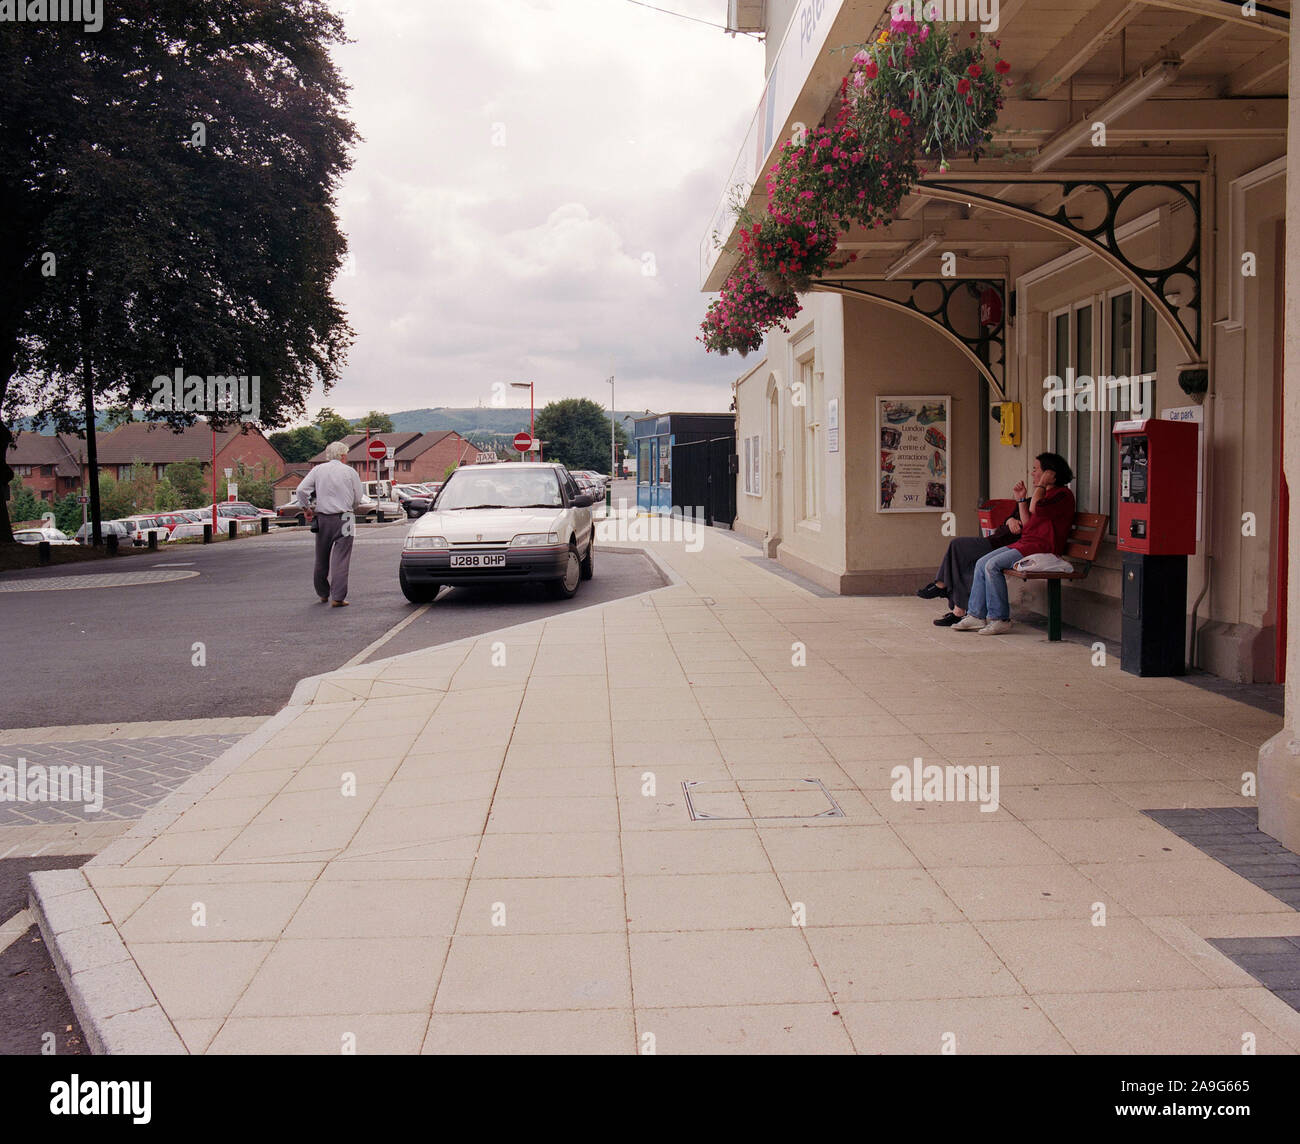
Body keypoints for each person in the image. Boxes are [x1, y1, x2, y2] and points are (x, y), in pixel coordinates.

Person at [952, 452, 1076, 635]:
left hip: (1042, 548)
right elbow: (1028, 522)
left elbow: (1035, 508)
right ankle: (976, 615)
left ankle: (1000, 618)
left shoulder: (1062, 495)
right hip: (1027, 543)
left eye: (1036, 470)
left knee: (992, 565)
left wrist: (1041, 484)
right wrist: (1020, 499)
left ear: (1050, 473)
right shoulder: (1044, 494)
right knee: (981, 563)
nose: (1032, 473)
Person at [295, 440, 372, 607]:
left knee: (321, 557)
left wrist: (306, 508)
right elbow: (358, 497)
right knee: (341, 558)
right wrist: (350, 508)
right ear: (343, 455)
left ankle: (322, 593)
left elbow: (301, 490)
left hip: (322, 517)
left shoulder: (317, 470)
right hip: (345, 517)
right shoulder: (350, 472)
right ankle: (338, 597)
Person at [917, 510, 1023, 626]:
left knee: (957, 544)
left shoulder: (1030, 505)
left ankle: (941, 585)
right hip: (994, 540)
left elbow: (1029, 526)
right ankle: (959, 611)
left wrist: (1021, 508)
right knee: (966, 566)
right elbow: (1008, 517)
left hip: (1001, 546)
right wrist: (1010, 519)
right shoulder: (1023, 502)